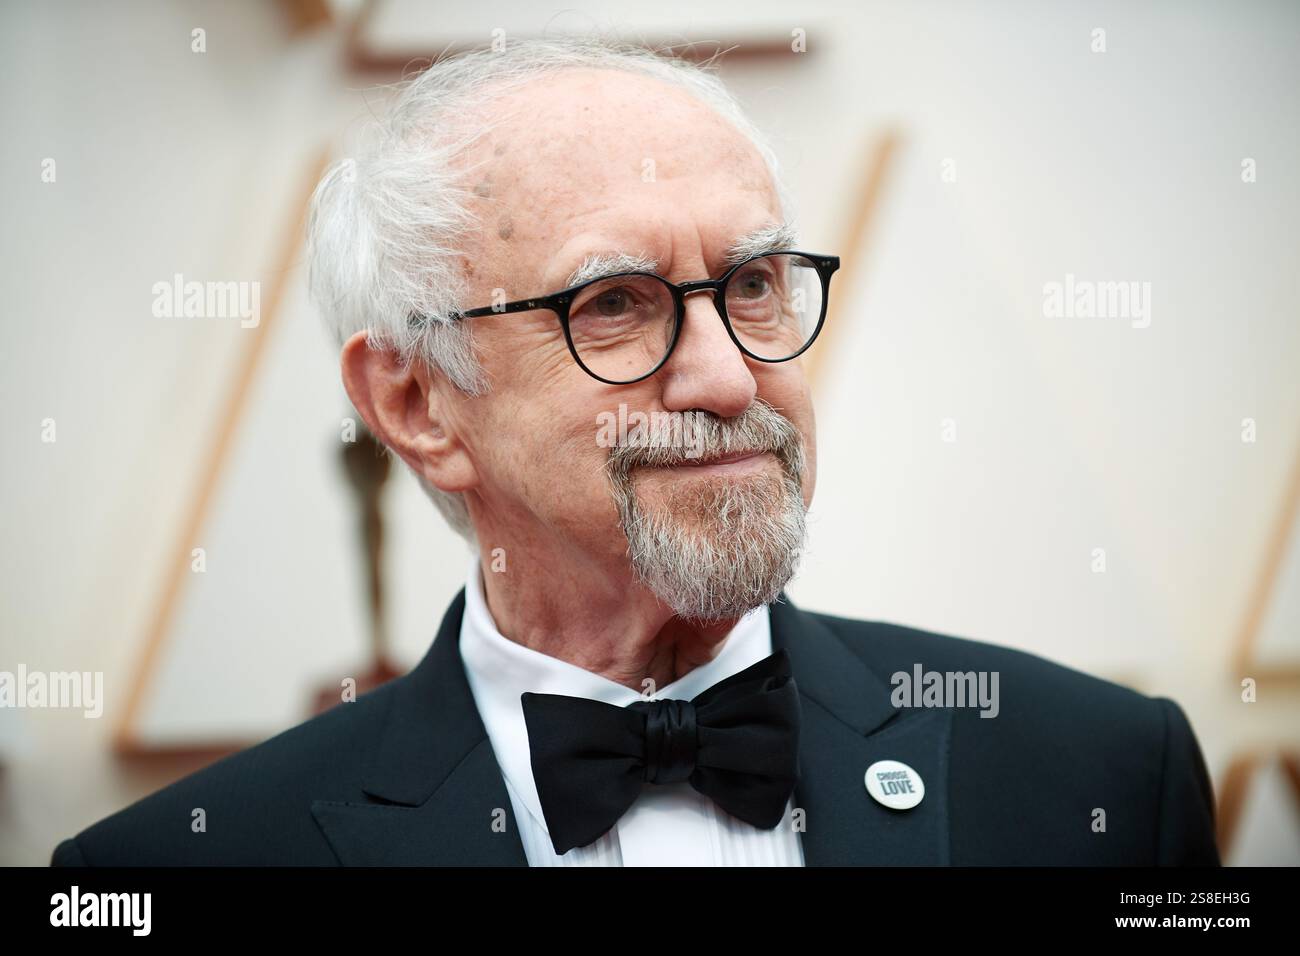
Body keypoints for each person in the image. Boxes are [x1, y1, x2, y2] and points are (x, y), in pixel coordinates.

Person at [50, 35, 1219, 867]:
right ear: (414, 401)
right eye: (614, 302)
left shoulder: (1101, 774)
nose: (724, 377)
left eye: (753, 283)